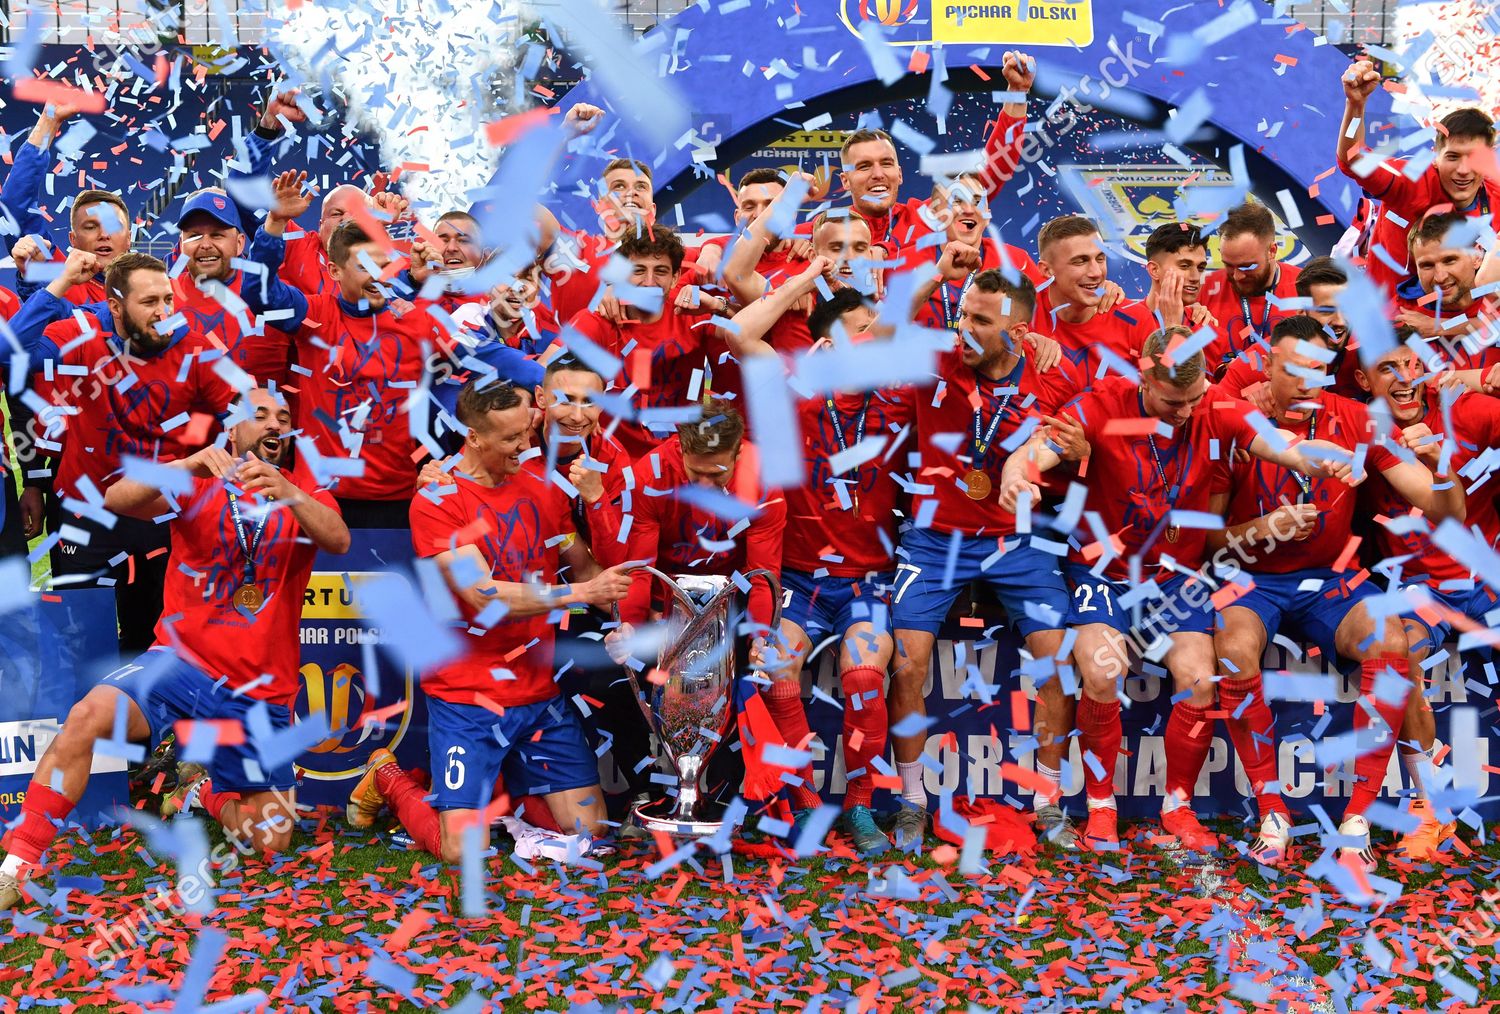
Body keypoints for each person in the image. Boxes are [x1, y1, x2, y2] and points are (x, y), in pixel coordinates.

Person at [997, 327, 1357, 852]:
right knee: (1102, 671)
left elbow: (1287, 448)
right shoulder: (1101, 404)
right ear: (1145, 378)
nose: (1186, 412)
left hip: (1177, 579)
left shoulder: (1216, 407)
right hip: (1105, 574)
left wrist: (1328, 456)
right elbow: (1033, 451)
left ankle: (1178, 805)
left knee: (1200, 679)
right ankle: (1101, 807)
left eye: (1193, 398)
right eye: (1172, 401)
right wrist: (1015, 478)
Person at [0, 386, 350, 912]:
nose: (275, 425)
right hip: (181, 663)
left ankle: (199, 789)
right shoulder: (199, 482)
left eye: (283, 417)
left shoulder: (304, 491)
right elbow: (116, 499)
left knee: (270, 840)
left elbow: (339, 539)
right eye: (260, 415)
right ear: (232, 428)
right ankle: (17, 864)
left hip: (258, 691)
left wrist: (290, 494)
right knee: (86, 717)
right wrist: (186, 464)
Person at [1205, 316, 1464, 867]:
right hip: (1252, 581)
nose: (1306, 381)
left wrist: (1440, 467)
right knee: (1232, 648)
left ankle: (1356, 820)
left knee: (1390, 639)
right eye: (1293, 369)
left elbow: (1443, 508)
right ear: (1267, 366)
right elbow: (1210, 544)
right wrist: (1262, 529)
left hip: (1331, 579)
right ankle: (1273, 812)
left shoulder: (1357, 419)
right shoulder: (1237, 425)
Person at [348, 379, 634, 861]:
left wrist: (629, 616)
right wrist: (583, 594)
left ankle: (505, 790)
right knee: (463, 849)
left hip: (538, 695)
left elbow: (584, 567)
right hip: (467, 696)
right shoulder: (439, 499)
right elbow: (482, 596)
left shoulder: (545, 485)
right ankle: (388, 777)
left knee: (590, 833)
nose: (525, 445)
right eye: (511, 438)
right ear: (474, 437)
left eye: (527, 431)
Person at [890, 263, 1085, 850]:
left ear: (1020, 332)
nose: (964, 331)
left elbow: (1074, 445)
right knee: (907, 662)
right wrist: (934, 276)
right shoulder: (935, 359)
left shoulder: (1055, 375)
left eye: (980, 321)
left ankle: (1048, 801)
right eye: (962, 316)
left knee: (1057, 661)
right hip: (935, 539)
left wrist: (1072, 450)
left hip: (1017, 541)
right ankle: (911, 801)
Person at [722, 262, 909, 853]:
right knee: (777, 674)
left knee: (864, 677)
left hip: (868, 583)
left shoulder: (901, 399)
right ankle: (804, 801)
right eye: (863, 329)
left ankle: (860, 806)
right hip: (799, 583)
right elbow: (739, 333)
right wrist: (805, 281)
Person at [3, 249, 237, 652]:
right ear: (115, 307)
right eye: (149, 302)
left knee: (151, 644)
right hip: (86, 514)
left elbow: (239, 411)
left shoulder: (195, 347)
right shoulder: (82, 334)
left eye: (168, 299)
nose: (163, 312)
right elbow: (9, 351)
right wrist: (62, 283)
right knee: (80, 648)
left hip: (158, 514)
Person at [1357, 339, 1500, 860]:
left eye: (1412, 365)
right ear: (1363, 382)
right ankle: (1429, 806)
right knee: (1400, 660)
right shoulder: (1359, 429)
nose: (1404, 377)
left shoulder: (1468, 410)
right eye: (1387, 368)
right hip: (1420, 589)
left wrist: (1483, 377)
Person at [257, 200, 453, 527]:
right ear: (334, 271)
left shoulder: (417, 320)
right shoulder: (315, 316)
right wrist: (275, 222)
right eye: (365, 267)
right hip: (321, 497)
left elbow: (473, 362)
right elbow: (261, 294)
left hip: (397, 501)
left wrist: (423, 282)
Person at [828, 50, 1033, 250]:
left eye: (886, 163)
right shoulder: (823, 232)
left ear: (899, 174)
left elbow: (991, 173)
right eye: (864, 166)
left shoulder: (928, 217)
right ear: (845, 180)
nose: (878, 174)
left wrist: (1017, 92)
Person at [565, 225, 730, 457]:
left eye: (660, 271)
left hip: (682, 457)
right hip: (614, 461)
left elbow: (750, 330)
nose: (649, 282)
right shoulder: (598, 320)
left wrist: (719, 305)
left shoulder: (691, 311)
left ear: (675, 277)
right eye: (639, 270)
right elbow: (551, 372)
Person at [1337, 59, 1498, 293]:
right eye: (1453, 157)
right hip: (1383, 310)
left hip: (1455, 315)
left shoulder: (1496, 199)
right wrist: (1355, 104)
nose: (1464, 170)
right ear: (1435, 157)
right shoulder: (1410, 181)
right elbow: (1353, 158)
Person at [2, 103, 132, 305]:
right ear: (73, 239)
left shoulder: (158, 288)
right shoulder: (61, 279)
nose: (104, 234)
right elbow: (16, 204)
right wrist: (49, 121)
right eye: (91, 227)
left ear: (129, 238)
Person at [900, 173, 1043, 332]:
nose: (969, 210)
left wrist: (1035, 339)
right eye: (957, 201)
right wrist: (936, 278)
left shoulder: (1017, 262)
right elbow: (883, 332)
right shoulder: (903, 262)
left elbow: (1043, 328)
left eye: (977, 201)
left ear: (988, 215)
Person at [1216, 257, 1361, 401]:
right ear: (1302, 312)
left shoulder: (1365, 354)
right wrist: (1247, 407)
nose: (1340, 321)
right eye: (1326, 311)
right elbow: (1216, 408)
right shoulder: (1258, 359)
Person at [1196, 202, 1302, 378]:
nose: (1237, 276)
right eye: (1228, 265)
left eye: (1247, 267)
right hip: (1219, 394)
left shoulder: (1306, 288)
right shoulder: (1202, 290)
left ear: (1272, 251)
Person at [1029, 215, 1136, 386]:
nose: (1096, 272)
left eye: (1100, 259)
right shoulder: (1016, 314)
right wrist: (1021, 342)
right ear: (1047, 270)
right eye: (1080, 261)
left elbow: (1162, 384)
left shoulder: (1135, 319)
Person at [1395, 211, 1500, 373]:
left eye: (1450, 260)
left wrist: (1440, 326)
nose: (1440, 277)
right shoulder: (1400, 314)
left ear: (1477, 256)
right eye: (1427, 265)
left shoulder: (1495, 295)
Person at [1111, 222, 1220, 355]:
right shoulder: (1120, 322)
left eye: (1201, 268)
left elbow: (1182, 369)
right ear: (1154, 270)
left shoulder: (1208, 331)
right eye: (1184, 266)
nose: (1195, 277)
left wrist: (1173, 326)